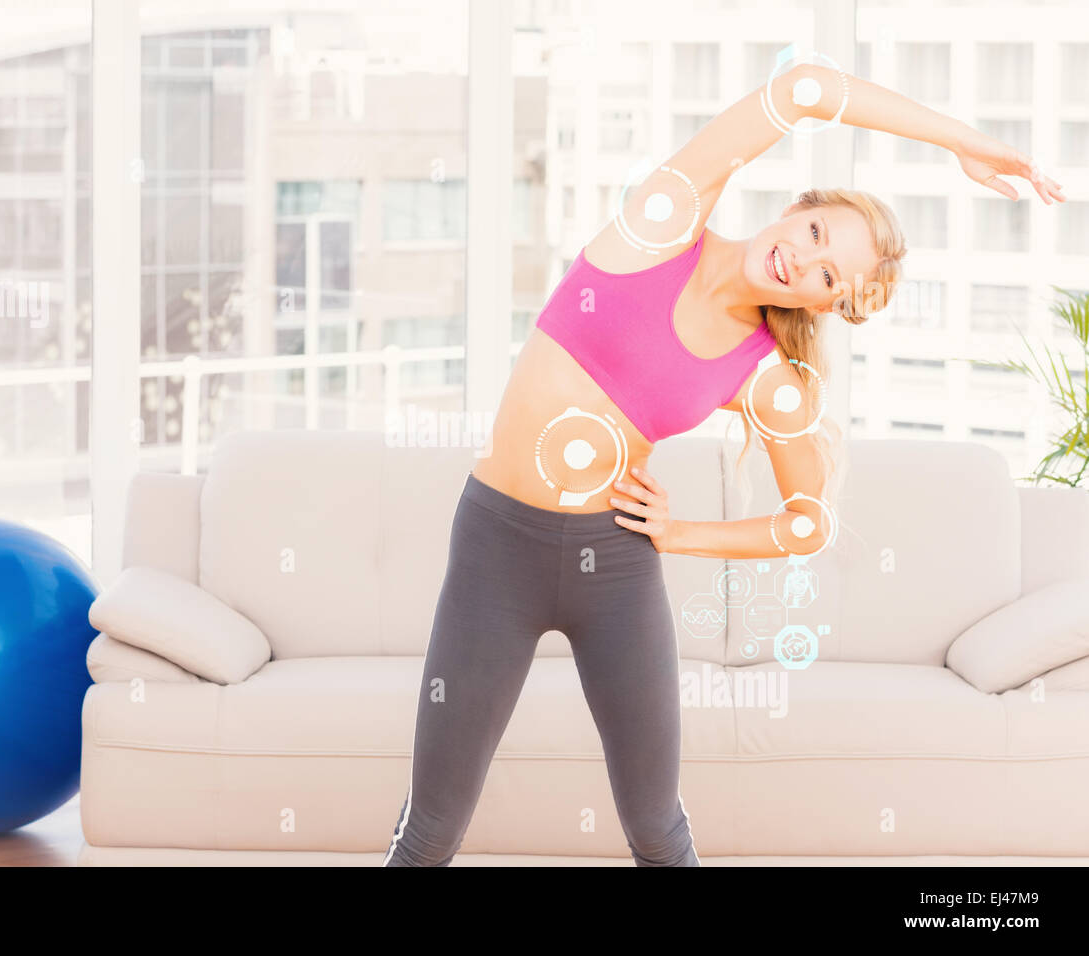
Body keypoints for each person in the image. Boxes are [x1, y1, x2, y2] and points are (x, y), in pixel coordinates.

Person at [382, 57, 1064, 867]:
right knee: (430, 832)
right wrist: (967, 144)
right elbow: (803, 89)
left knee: (658, 833)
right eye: (815, 235)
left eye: (828, 278)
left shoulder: (764, 374)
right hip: (496, 547)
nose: (804, 262)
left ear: (823, 304)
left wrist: (680, 536)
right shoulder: (662, 221)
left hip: (618, 574)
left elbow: (809, 521)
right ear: (796, 207)